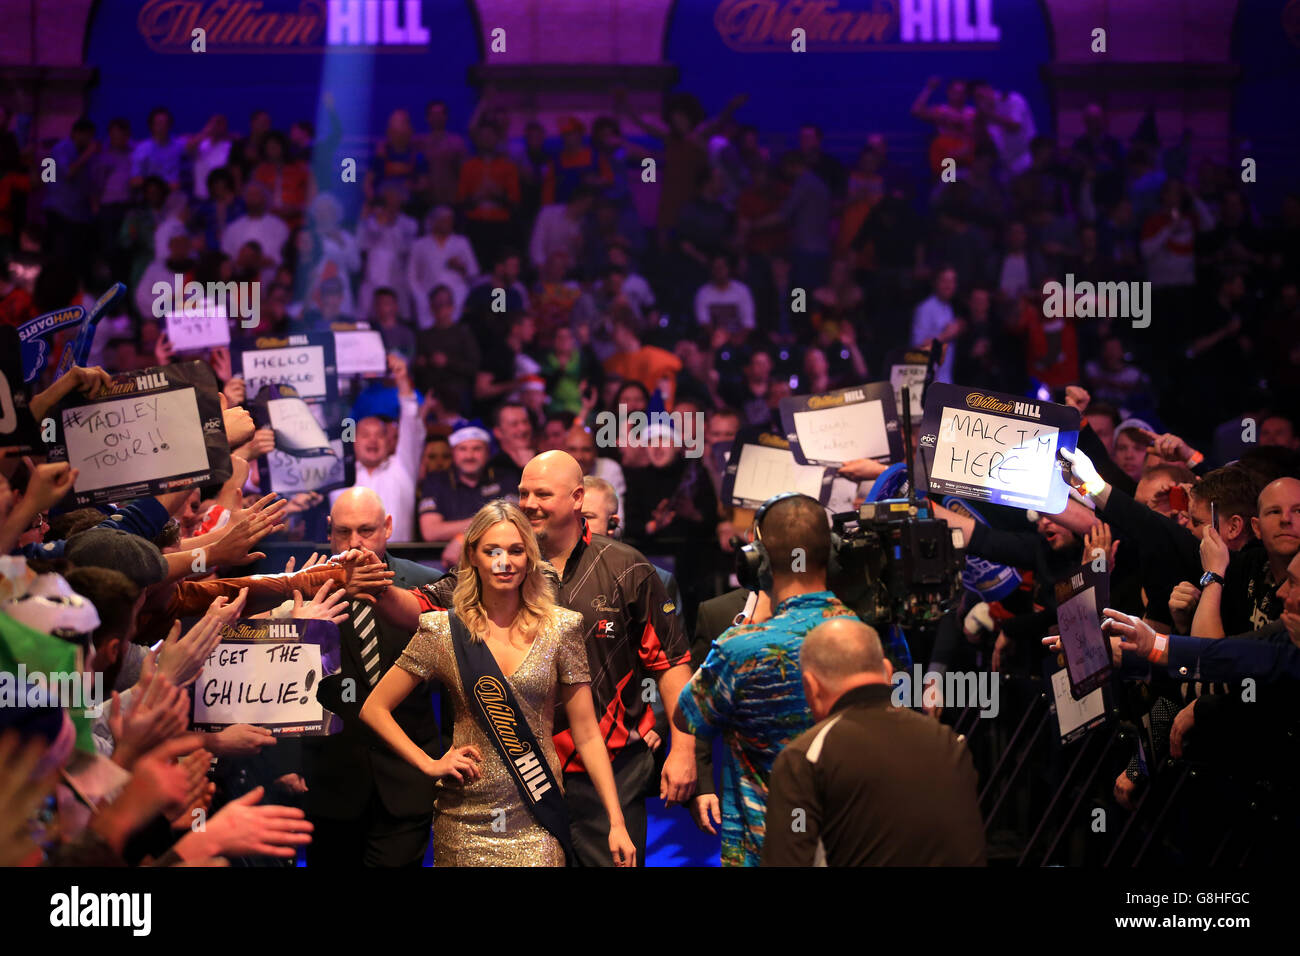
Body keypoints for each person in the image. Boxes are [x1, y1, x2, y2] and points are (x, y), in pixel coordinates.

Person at [347, 451, 695, 866]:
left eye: (542, 493)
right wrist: (378, 587)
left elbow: (669, 664)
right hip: (485, 802)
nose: (528, 502)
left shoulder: (625, 571)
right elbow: (415, 612)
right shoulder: (456, 609)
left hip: (603, 775)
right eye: (523, 492)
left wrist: (684, 749)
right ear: (475, 554)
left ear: (577, 498)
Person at [674, 493, 858, 866]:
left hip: (768, 845)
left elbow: (686, 715)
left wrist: (744, 625)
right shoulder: (873, 634)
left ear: (757, 561)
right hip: (858, 840)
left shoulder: (741, 649)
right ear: (834, 552)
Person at [270, 487, 443, 867]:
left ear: (388, 527)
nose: (354, 543)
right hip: (327, 781)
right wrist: (285, 760)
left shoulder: (428, 586)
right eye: (343, 532)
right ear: (329, 530)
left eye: (365, 530)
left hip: (408, 777)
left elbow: (451, 684)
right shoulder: (302, 588)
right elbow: (278, 687)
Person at [761, 617, 986, 866]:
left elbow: (788, 858)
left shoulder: (804, 758)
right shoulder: (949, 742)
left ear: (810, 686)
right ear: (889, 672)